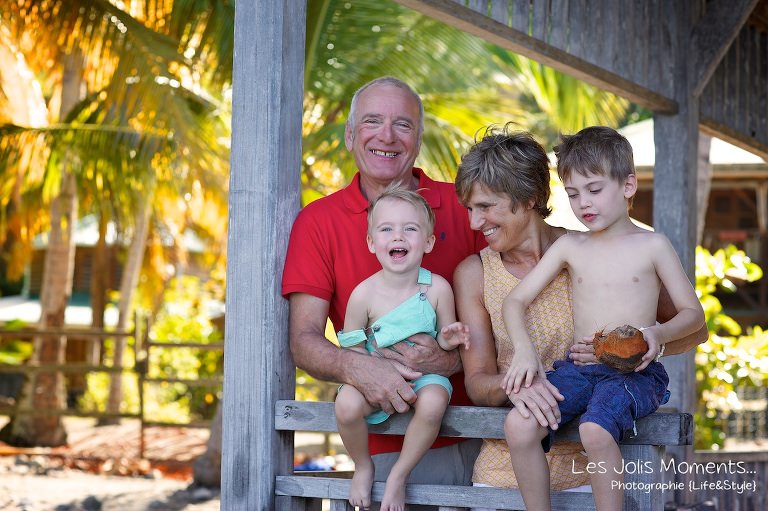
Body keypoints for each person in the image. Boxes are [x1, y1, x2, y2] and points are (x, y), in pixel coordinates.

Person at [451, 124, 709, 509]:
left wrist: (634, 347)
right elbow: (479, 380)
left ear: (529, 198)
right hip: (505, 470)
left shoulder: (619, 245)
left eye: (486, 206)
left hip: (595, 459)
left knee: (596, 427)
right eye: (573, 193)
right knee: (521, 426)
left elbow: (693, 328)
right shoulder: (491, 269)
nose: (475, 222)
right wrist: (521, 374)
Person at [282, 76, 485, 510]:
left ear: (419, 137)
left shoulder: (466, 206)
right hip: (381, 445)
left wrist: (450, 359)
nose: (387, 136)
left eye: (403, 124)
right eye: (372, 121)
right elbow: (303, 340)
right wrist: (357, 368)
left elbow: (510, 307)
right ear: (350, 134)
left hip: (479, 437)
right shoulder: (318, 222)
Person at [336, 186, 471, 511]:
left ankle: (399, 473)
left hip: (425, 378)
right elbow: (352, 348)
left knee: (435, 403)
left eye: (410, 229)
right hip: (376, 377)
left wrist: (450, 338)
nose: (398, 236)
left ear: (428, 241)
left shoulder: (437, 288)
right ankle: (362, 465)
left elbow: (440, 342)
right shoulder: (363, 294)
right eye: (386, 229)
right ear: (372, 242)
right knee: (345, 406)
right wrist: (372, 373)